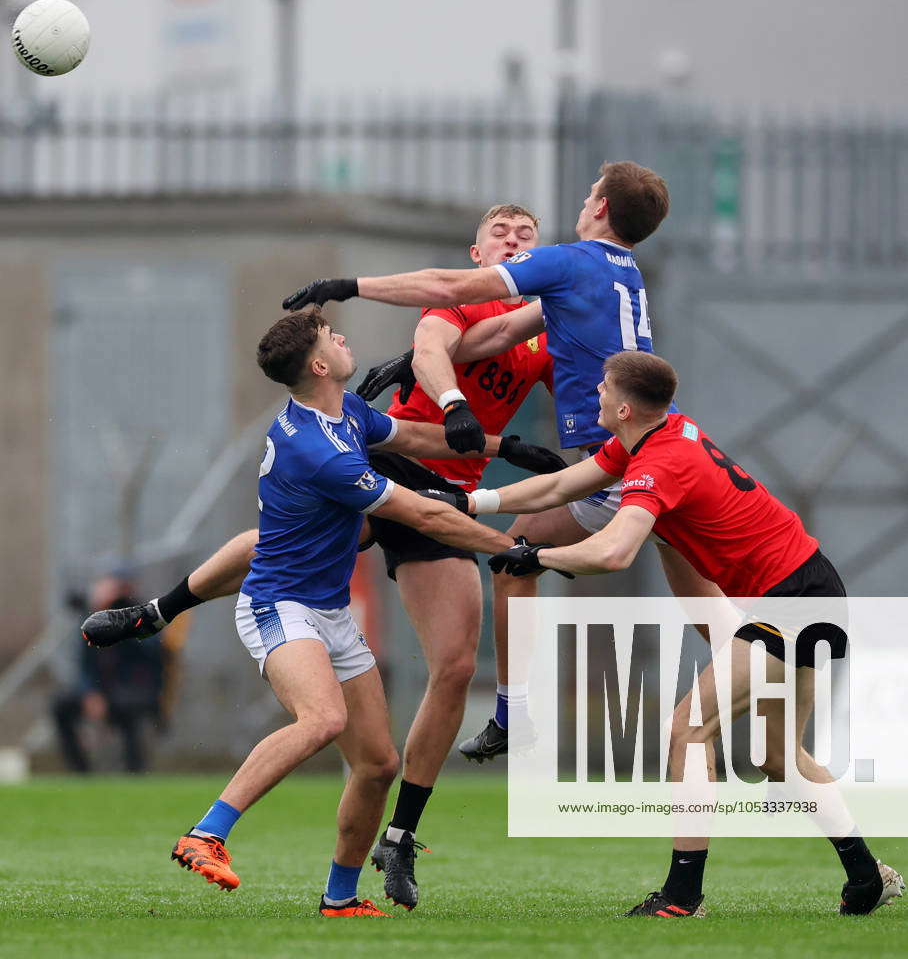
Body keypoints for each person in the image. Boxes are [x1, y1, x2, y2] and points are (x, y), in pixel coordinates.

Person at [83, 306, 561, 916]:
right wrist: (518, 549)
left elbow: (413, 436)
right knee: (321, 720)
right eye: (331, 336)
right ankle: (206, 834)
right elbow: (423, 514)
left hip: (329, 613)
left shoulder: (344, 414)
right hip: (279, 607)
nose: (343, 337)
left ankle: (339, 898)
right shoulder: (321, 450)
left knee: (379, 763)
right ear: (318, 364)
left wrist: (507, 446)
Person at [433, 350, 904, 918]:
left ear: (626, 407)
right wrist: (471, 502)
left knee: (689, 728)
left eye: (604, 389)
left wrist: (530, 553)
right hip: (809, 590)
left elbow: (614, 551)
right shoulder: (654, 436)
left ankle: (682, 897)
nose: (595, 396)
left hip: (795, 604)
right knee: (777, 755)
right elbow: (560, 487)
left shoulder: (658, 463)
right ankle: (865, 877)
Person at [287, 160, 726, 762]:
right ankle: (775, 672)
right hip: (660, 448)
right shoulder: (621, 274)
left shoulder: (571, 262)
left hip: (625, 464)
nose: (516, 240)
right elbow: (480, 336)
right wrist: (416, 357)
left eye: (590, 193)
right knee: (709, 616)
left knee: (519, 551)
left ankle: (515, 712)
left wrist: (349, 286)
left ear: (599, 208)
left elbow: (447, 287)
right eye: (502, 233)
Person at [53, 572, 165, 773]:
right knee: (60, 705)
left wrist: (124, 619)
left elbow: (152, 652)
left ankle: (134, 772)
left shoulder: (143, 614)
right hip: (101, 690)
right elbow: (85, 664)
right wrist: (90, 693)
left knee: (128, 709)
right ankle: (81, 772)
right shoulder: (93, 619)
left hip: (133, 689)